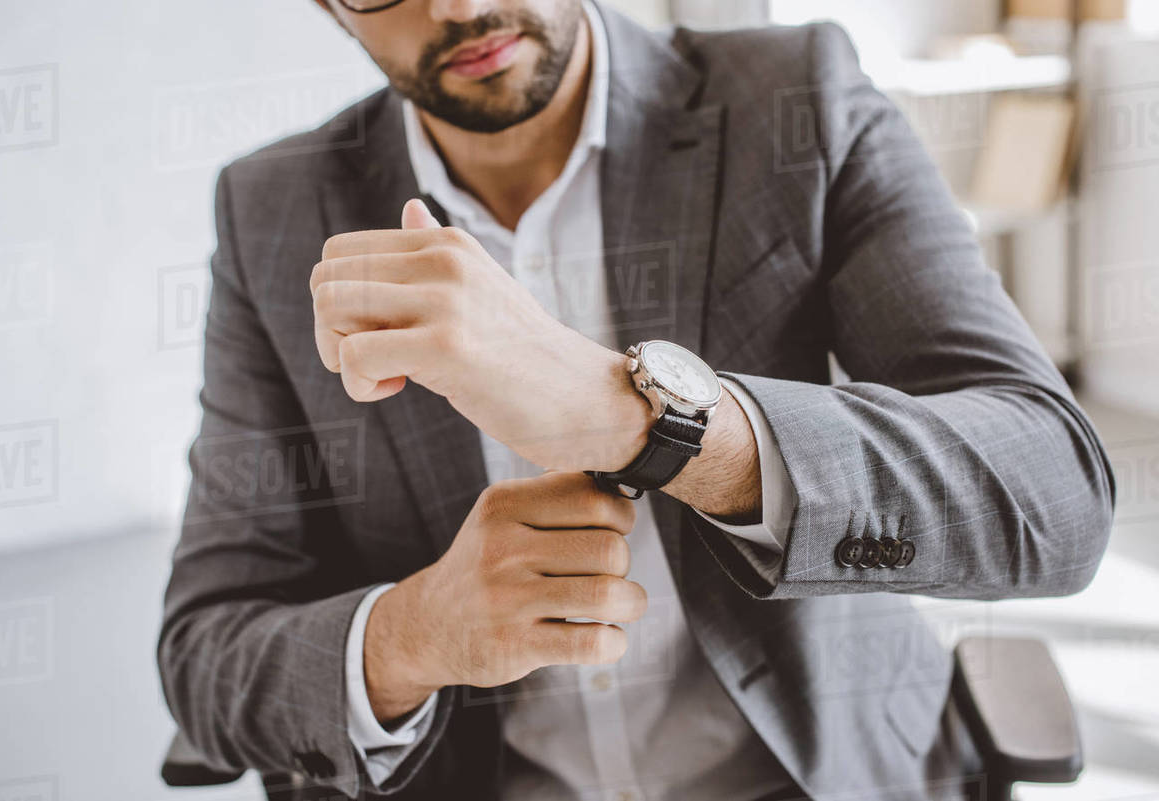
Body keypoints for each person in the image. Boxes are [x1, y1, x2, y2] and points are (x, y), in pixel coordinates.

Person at [157, 1, 1116, 799]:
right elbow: (205, 652)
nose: (454, 5)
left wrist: (640, 416)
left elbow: (1055, 496)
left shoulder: (799, 98)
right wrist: (417, 633)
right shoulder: (274, 213)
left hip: (824, 771)